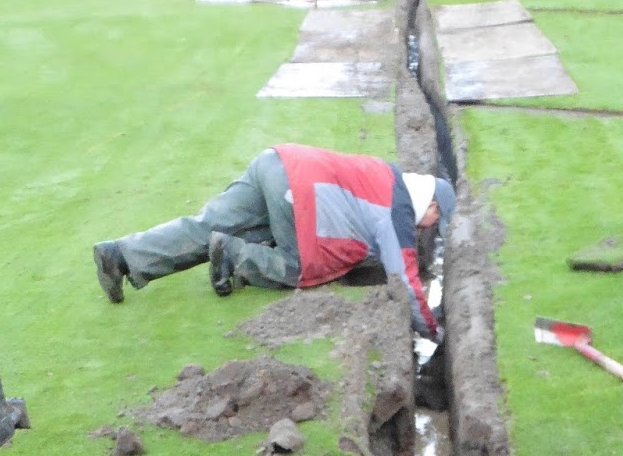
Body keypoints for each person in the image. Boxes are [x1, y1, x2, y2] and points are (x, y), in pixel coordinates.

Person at [93, 144, 454, 339]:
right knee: (298, 266)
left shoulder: (390, 174)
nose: (431, 228)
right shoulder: (399, 209)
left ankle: (121, 255)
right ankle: (234, 256)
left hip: (276, 161)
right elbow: (404, 278)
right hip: (296, 192)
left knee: (205, 226)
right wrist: (431, 330)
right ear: (432, 203)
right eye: (437, 219)